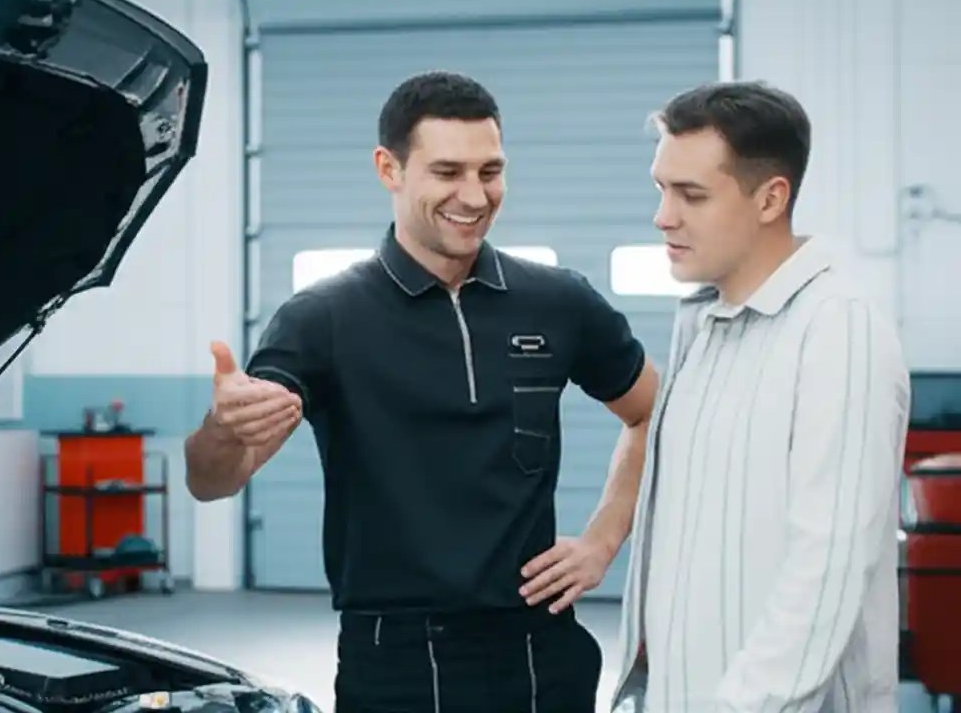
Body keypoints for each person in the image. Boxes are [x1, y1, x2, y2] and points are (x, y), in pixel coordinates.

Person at [185, 70, 659, 713]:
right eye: (447, 172)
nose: (474, 195)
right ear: (390, 168)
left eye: (490, 171)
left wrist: (602, 541)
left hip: (540, 651)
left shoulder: (558, 301)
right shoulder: (322, 318)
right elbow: (214, 479)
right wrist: (221, 428)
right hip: (396, 662)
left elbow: (652, 416)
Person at [611, 81, 911, 712]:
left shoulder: (838, 332)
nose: (664, 216)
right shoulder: (706, 330)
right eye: (661, 189)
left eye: (691, 195)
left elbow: (824, 575)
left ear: (771, 197)